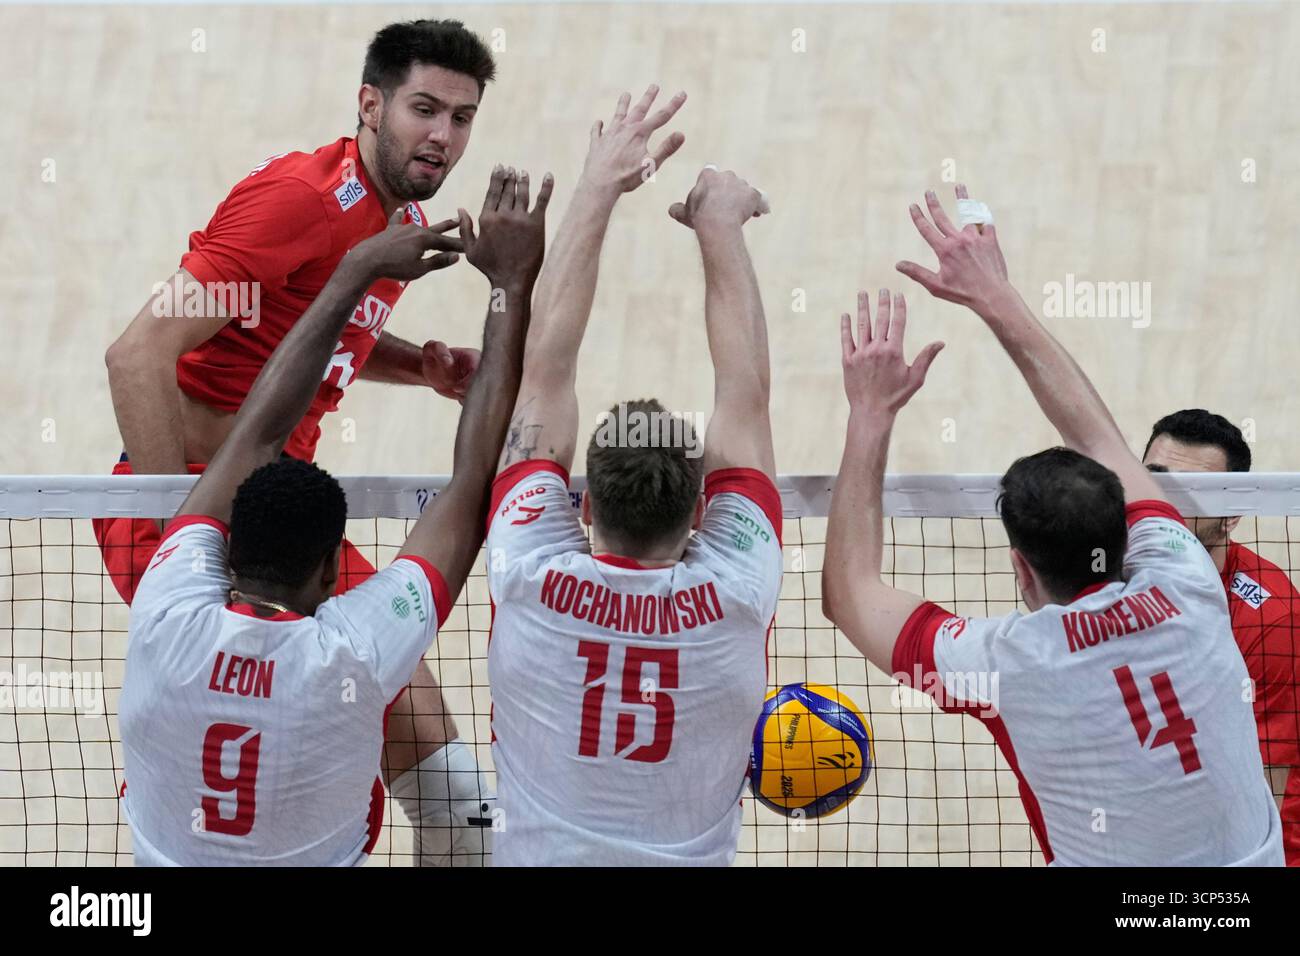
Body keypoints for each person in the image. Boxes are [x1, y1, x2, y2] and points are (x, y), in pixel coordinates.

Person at [101, 18, 502, 864]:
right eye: (423, 109)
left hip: (287, 522)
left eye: (460, 117)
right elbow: (138, 353)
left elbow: (303, 324)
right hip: (194, 515)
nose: (442, 134)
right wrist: (182, 527)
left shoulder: (400, 226)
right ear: (370, 103)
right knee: (275, 770)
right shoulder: (302, 201)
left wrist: (415, 367)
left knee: (453, 792)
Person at [821, 186, 1283, 865]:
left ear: (1021, 566)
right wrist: (996, 295)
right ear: (1130, 534)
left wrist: (869, 415)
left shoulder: (1004, 665)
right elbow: (1100, 440)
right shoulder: (1188, 582)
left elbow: (848, 592)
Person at [484, 88, 783, 864]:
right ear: (697, 518)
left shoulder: (527, 566)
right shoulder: (738, 588)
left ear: (580, 509)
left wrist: (597, 186)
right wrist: (720, 227)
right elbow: (745, 397)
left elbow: (543, 371)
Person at [1143, 409, 1300, 864]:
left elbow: (1259, 805)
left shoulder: (1275, 624)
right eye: (1155, 480)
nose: (1167, 505)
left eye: (1193, 494)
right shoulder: (1107, 573)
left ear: (1230, 515)